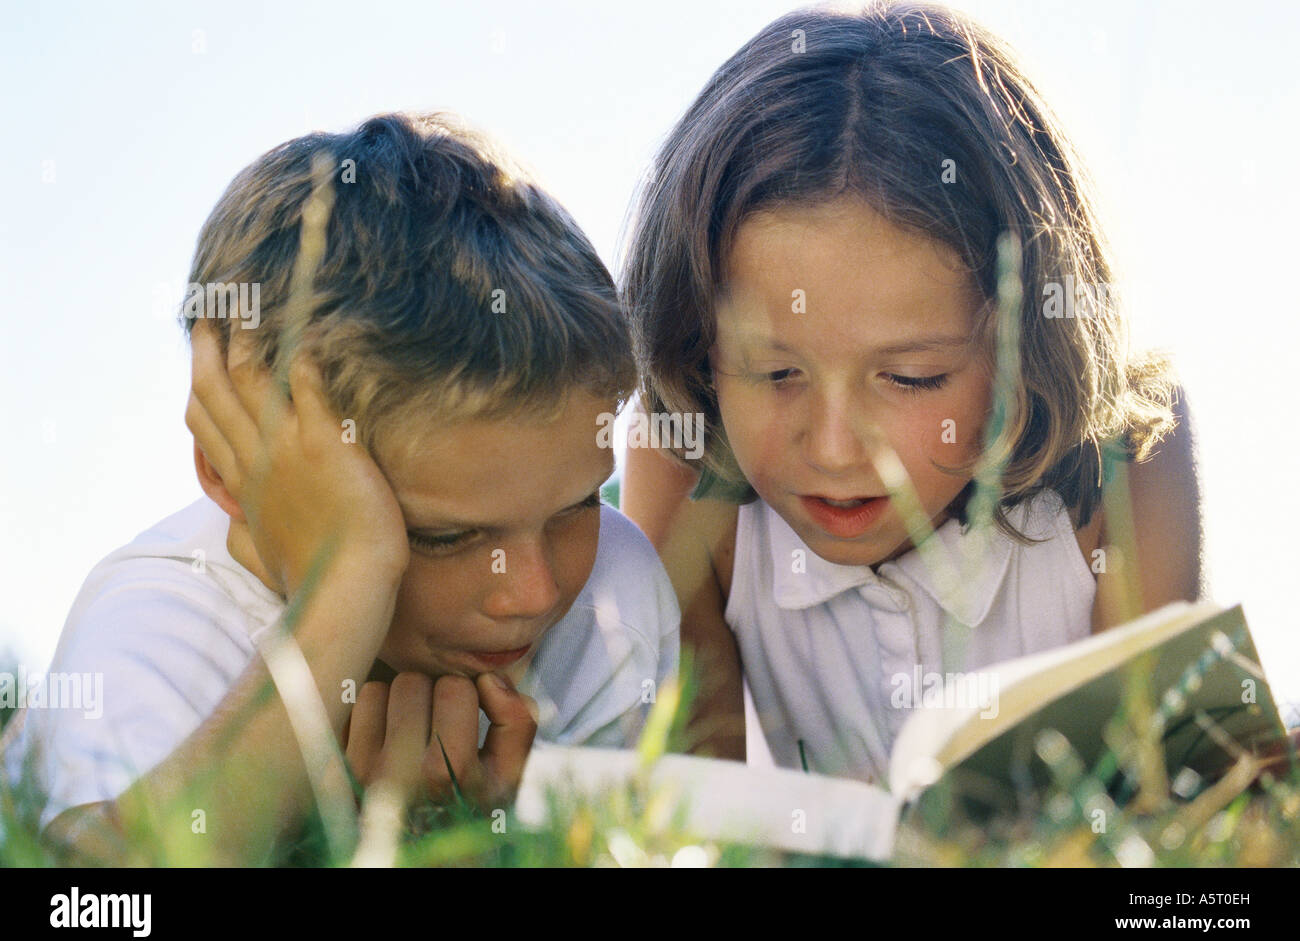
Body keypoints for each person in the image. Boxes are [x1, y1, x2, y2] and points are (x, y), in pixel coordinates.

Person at [2, 112, 678, 863]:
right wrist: (344, 587)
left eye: (578, 505)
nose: (532, 589)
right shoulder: (162, 616)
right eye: (443, 536)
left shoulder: (610, 597)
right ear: (238, 472)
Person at [619, 2, 1205, 781]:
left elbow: (1169, 805)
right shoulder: (689, 470)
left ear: (1024, 349)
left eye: (911, 377)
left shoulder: (1127, 457)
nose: (832, 449)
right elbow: (699, 806)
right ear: (699, 347)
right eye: (774, 373)